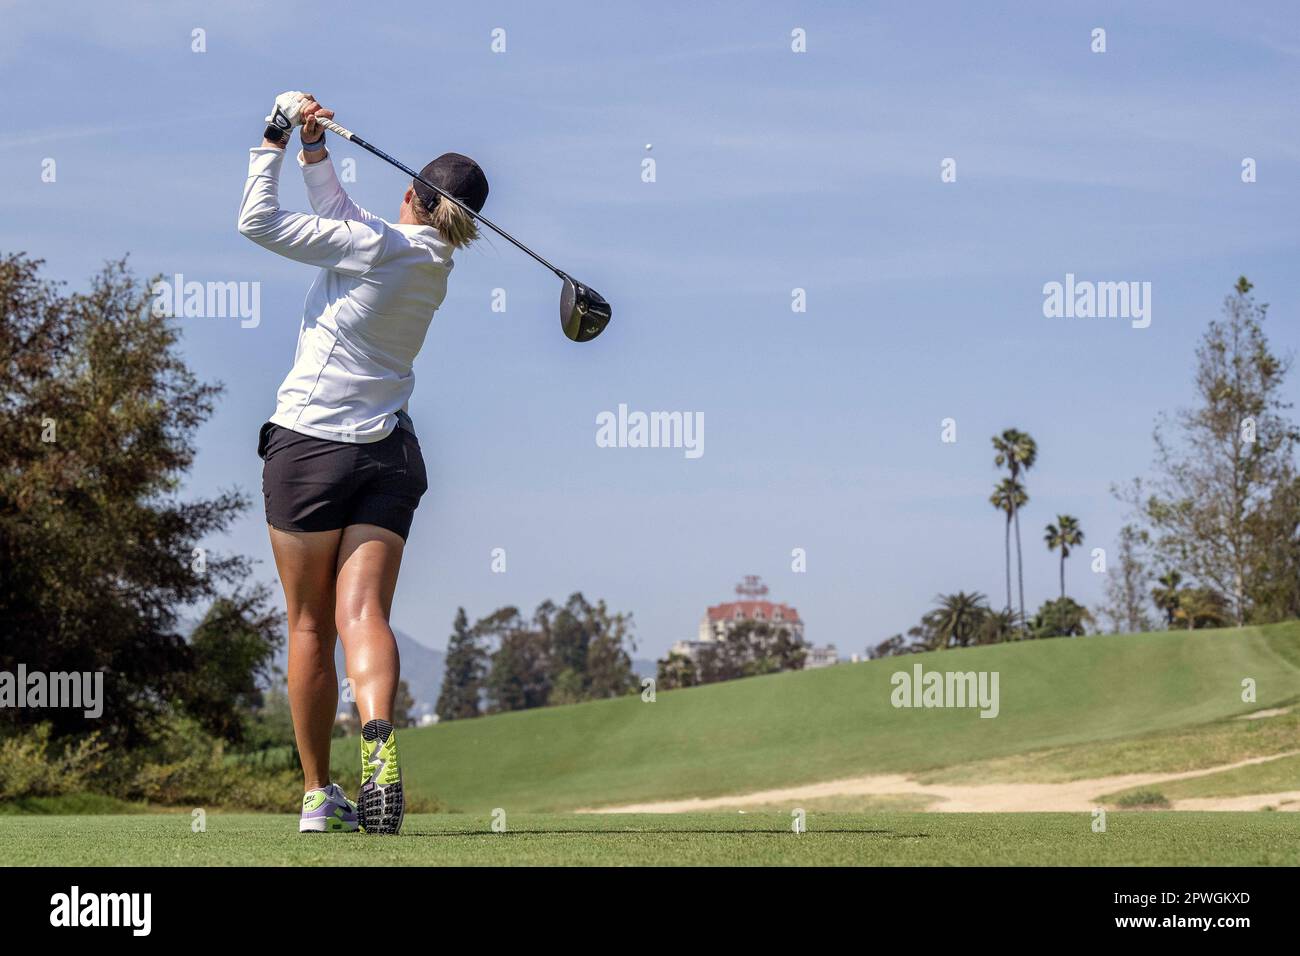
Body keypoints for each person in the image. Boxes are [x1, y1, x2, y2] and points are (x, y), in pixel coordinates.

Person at [237, 92, 488, 834]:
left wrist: (275, 135)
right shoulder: (431, 259)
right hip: (386, 456)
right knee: (364, 614)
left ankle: (318, 794)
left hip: (308, 451)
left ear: (410, 193)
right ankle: (376, 736)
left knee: (310, 624)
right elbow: (349, 223)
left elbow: (257, 221)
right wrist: (316, 152)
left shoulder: (380, 245)